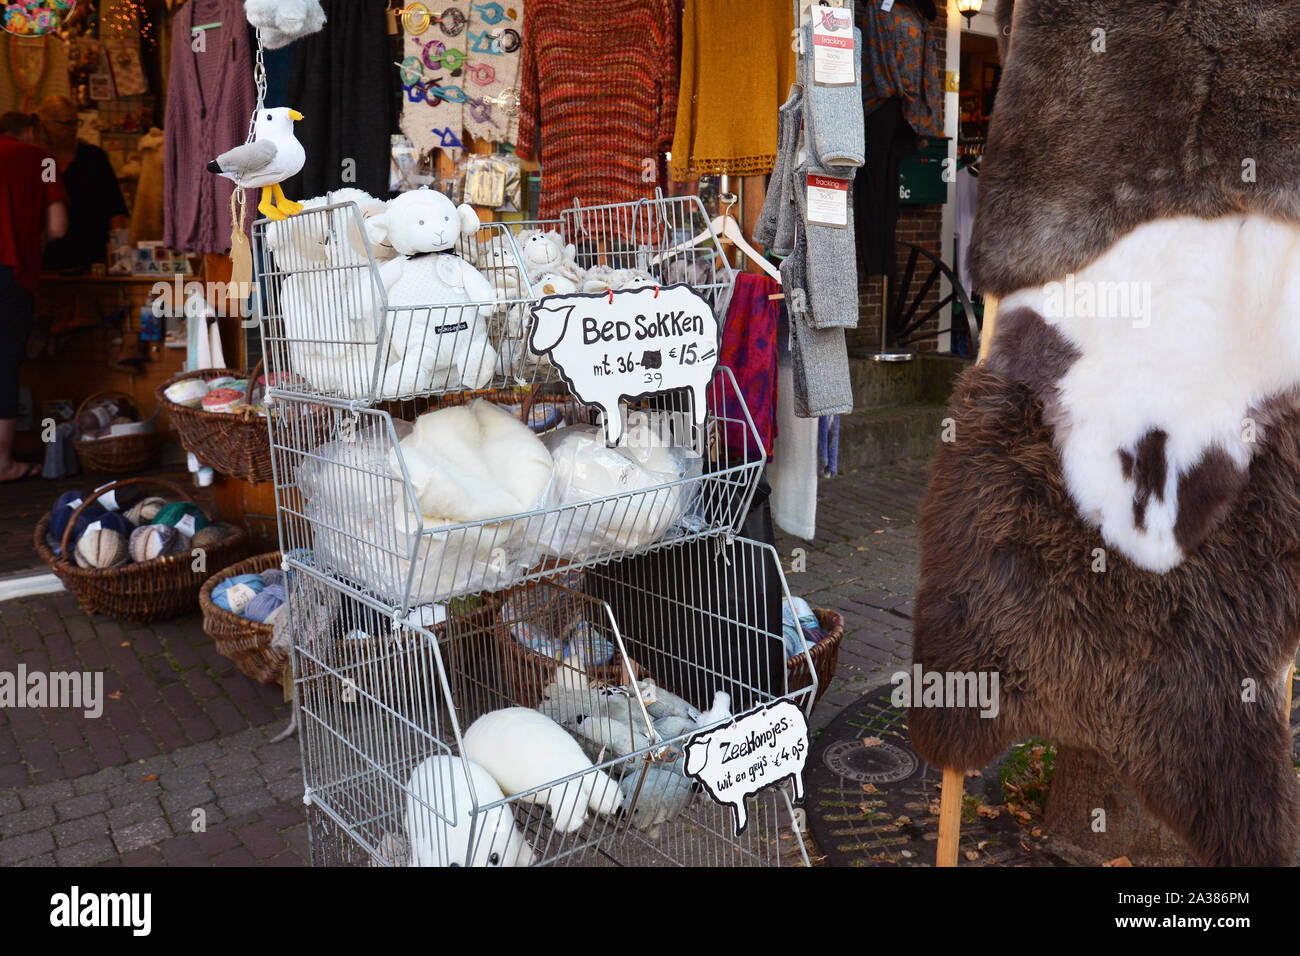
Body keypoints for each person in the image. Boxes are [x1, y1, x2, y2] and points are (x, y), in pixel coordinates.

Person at [0, 110, 68, 481]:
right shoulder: (41, 159)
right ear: (30, 130)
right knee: (3, 363)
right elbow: (58, 226)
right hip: (10, 272)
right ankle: (4, 462)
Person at [34, 95, 127, 274]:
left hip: (92, 259)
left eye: (75, 123)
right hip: (47, 260)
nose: (73, 129)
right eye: (65, 124)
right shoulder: (40, 160)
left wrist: (120, 255)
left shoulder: (94, 157)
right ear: (45, 124)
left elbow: (116, 210)